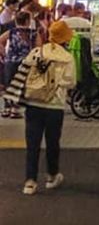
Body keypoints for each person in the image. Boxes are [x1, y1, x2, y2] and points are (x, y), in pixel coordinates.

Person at [19, 21, 77, 195]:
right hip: (54, 105)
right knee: (52, 141)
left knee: (32, 143)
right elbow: (71, 82)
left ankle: (30, 181)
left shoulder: (36, 52)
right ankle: (52, 176)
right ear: (65, 39)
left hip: (33, 103)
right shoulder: (67, 57)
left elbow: (24, 73)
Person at [0, 12, 39, 118]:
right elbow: (38, 48)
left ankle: (6, 108)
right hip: (26, 62)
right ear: (27, 21)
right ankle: (15, 109)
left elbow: (0, 41)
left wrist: (4, 53)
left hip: (10, 61)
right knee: (21, 85)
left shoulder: (11, 32)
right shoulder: (33, 33)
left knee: (9, 84)